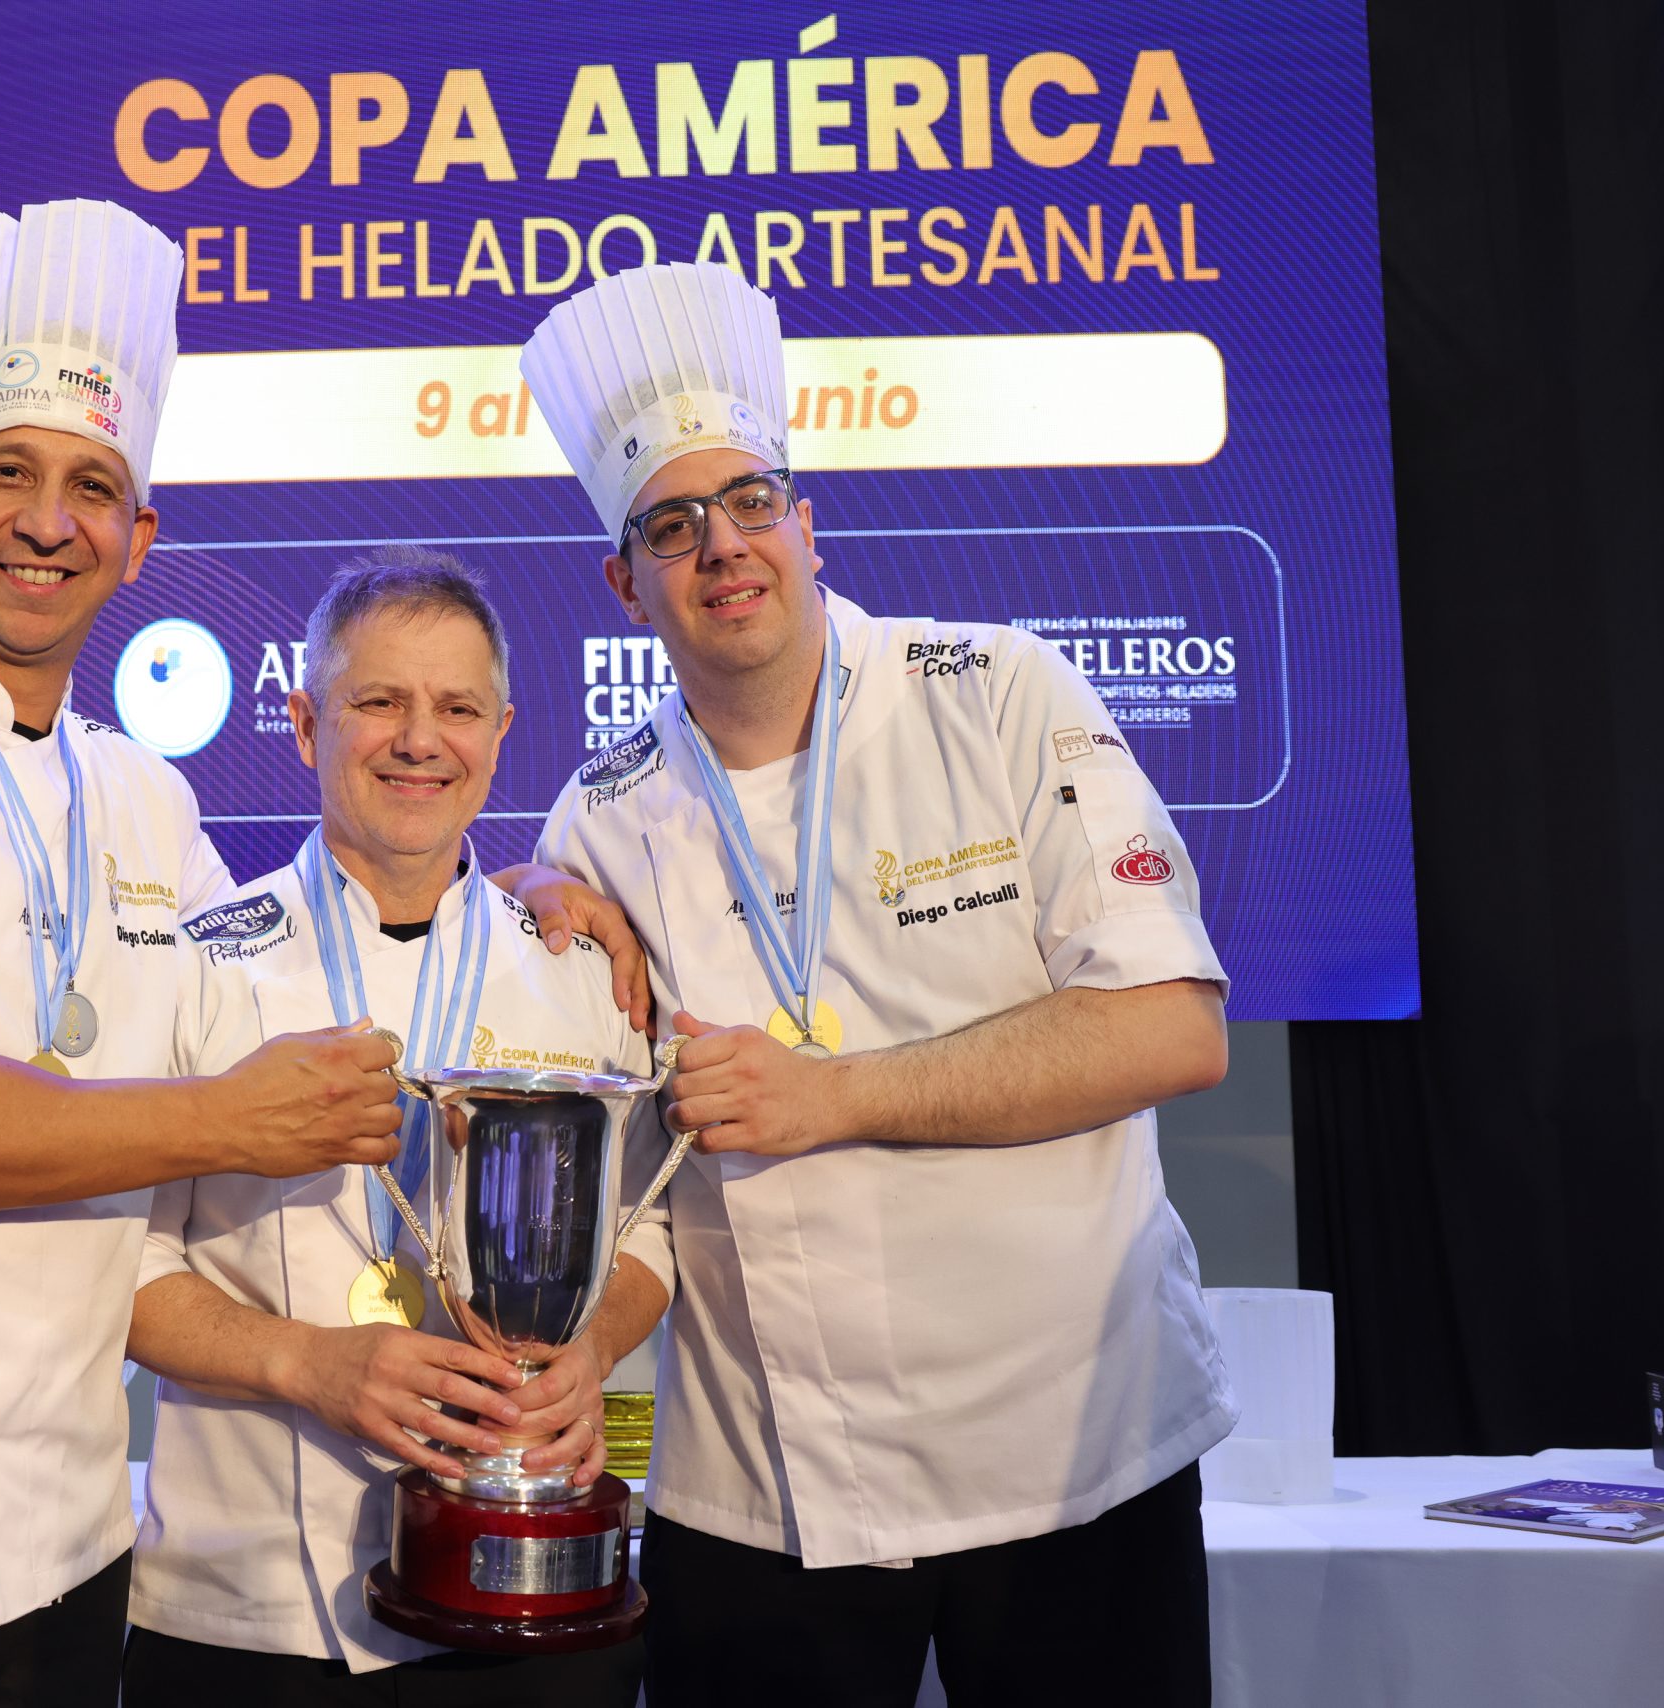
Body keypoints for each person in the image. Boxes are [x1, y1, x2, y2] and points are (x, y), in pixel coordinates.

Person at [0, 201, 638, 1708]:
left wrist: (546, 884)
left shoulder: (144, 798)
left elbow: (329, 938)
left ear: (139, 534)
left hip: (59, 1560)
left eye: (93, 485)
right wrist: (231, 1126)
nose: (49, 519)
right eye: (8, 475)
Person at [520, 263, 1237, 1708]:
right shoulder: (596, 820)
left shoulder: (1003, 691)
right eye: (672, 523)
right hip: (764, 1497)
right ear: (624, 577)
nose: (722, 545)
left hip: (1071, 1465)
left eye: (750, 502)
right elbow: (625, 1170)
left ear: (807, 520)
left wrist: (829, 1097)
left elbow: (1173, 1026)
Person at [122, 549, 669, 1708]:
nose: (420, 739)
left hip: (526, 1611)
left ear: (501, 730)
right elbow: (118, 1262)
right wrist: (306, 1361)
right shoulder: (193, 966)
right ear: (308, 721)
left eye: (456, 707)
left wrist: (589, 1353)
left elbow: (650, 1225)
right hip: (245, 1608)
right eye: (378, 701)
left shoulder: (581, 973)